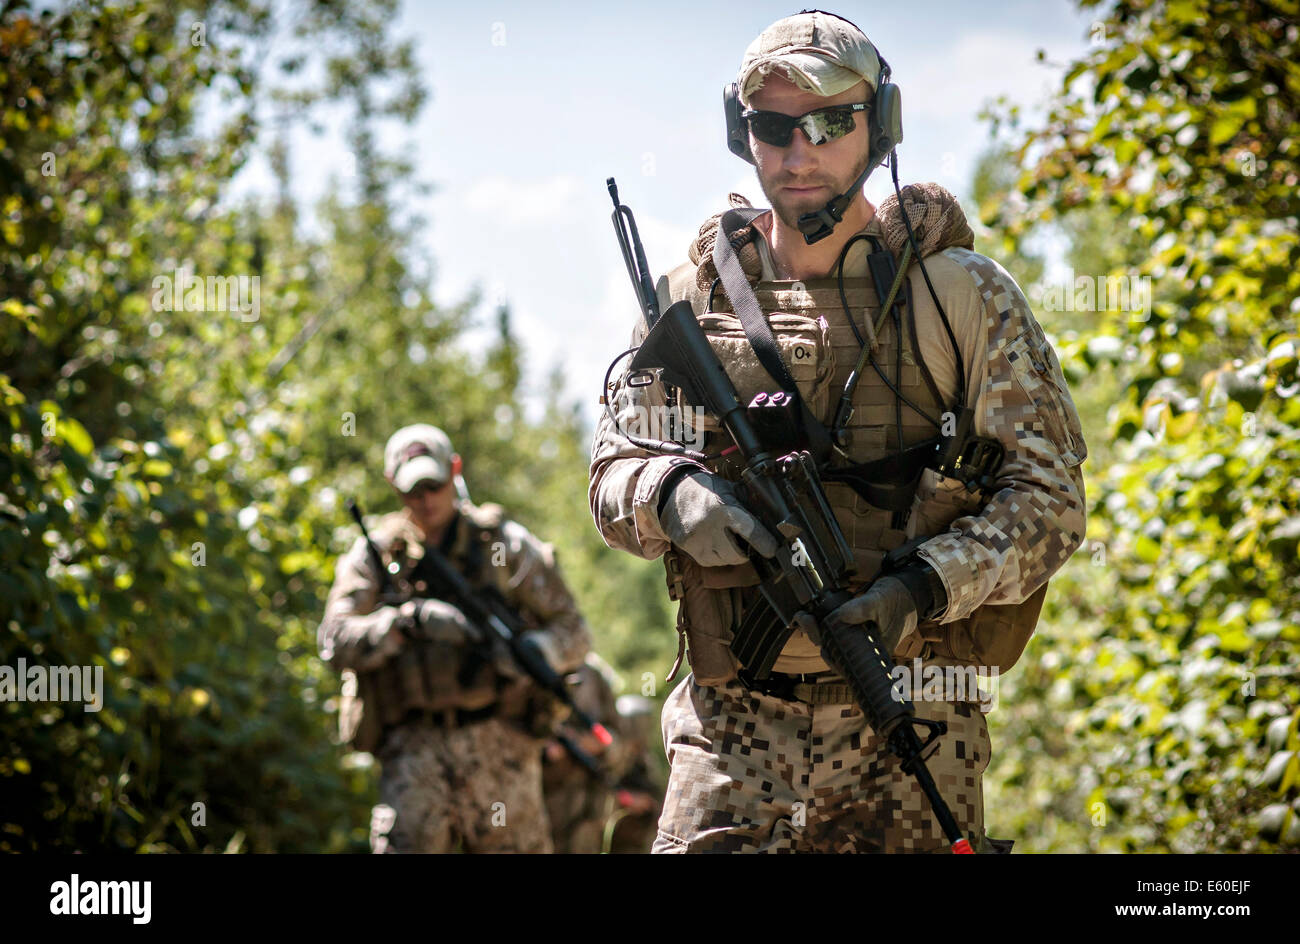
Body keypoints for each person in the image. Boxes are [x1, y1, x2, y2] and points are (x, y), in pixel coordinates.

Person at [589, 11, 1087, 853]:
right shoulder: (693, 295)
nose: (799, 149)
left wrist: (922, 587)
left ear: (879, 125)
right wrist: (672, 497)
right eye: (773, 126)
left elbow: (1051, 506)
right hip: (730, 730)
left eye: (829, 122)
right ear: (742, 135)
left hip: (911, 718)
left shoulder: (957, 295)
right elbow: (613, 473)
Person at [320, 424, 591, 853]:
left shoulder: (504, 544)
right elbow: (333, 641)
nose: (425, 499)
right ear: (392, 485)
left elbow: (574, 630)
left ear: (455, 470)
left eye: (434, 484)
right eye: (412, 490)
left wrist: (533, 652)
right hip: (414, 752)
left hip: (500, 744)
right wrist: (407, 621)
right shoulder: (375, 554)